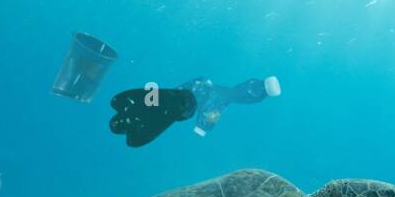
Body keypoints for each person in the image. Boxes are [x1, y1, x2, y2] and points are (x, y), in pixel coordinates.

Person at [108, 75, 281, 146]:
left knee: (144, 115)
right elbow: (202, 127)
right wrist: (203, 127)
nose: (249, 89)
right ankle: (132, 121)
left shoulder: (212, 91)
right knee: (137, 136)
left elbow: (204, 123)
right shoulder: (220, 101)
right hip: (179, 105)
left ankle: (132, 120)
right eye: (252, 87)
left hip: (178, 99)